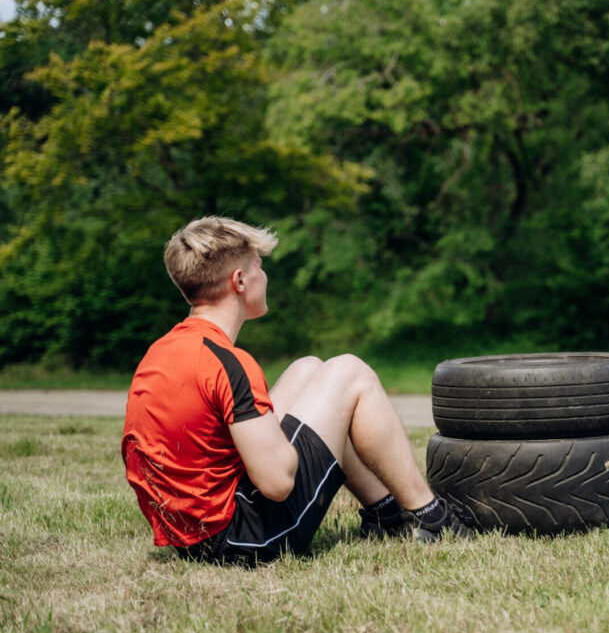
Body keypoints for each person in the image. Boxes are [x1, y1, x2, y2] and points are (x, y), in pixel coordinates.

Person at [122, 216, 472, 566]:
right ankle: (433, 518)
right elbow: (277, 483)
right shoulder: (229, 363)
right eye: (259, 265)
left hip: (192, 535)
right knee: (348, 372)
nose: (265, 275)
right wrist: (292, 440)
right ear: (239, 281)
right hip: (243, 541)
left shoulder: (163, 351)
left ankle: (387, 514)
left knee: (308, 369)